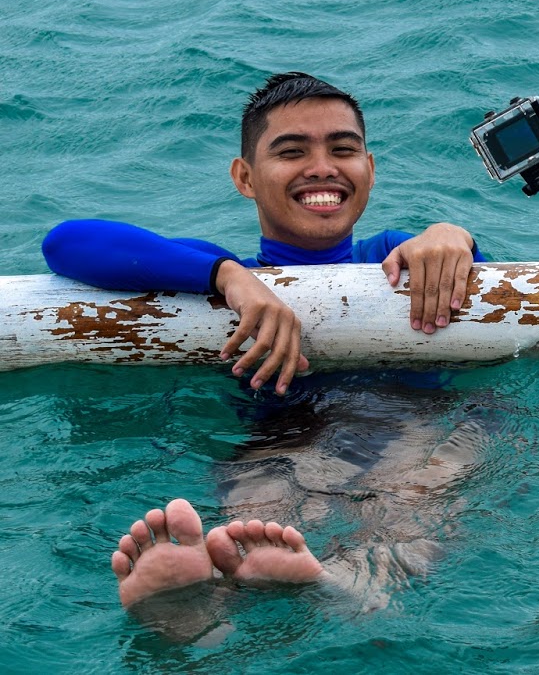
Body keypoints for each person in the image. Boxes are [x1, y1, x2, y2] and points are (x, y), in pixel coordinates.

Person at [41, 72, 486, 619]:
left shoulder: (397, 257)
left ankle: (331, 584)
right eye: (292, 150)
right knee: (262, 500)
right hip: (278, 435)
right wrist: (227, 275)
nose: (322, 166)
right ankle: (204, 608)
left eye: (342, 149)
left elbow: (485, 286)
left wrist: (454, 234)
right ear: (245, 177)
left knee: (420, 475)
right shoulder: (222, 274)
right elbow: (65, 243)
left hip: (403, 423)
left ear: (369, 170)